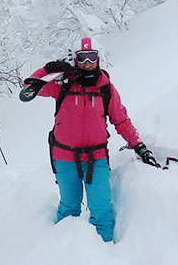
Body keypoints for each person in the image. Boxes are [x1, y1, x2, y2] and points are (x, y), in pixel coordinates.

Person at [24, 37, 160, 242]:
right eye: (82, 57)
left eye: (92, 57)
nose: (87, 62)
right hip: (64, 157)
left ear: (98, 59)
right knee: (69, 206)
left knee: (102, 208)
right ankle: (63, 251)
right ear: (75, 59)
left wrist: (138, 146)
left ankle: (103, 253)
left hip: (96, 159)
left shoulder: (106, 88)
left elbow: (121, 120)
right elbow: (29, 86)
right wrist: (48, 70)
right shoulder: (62, 85)